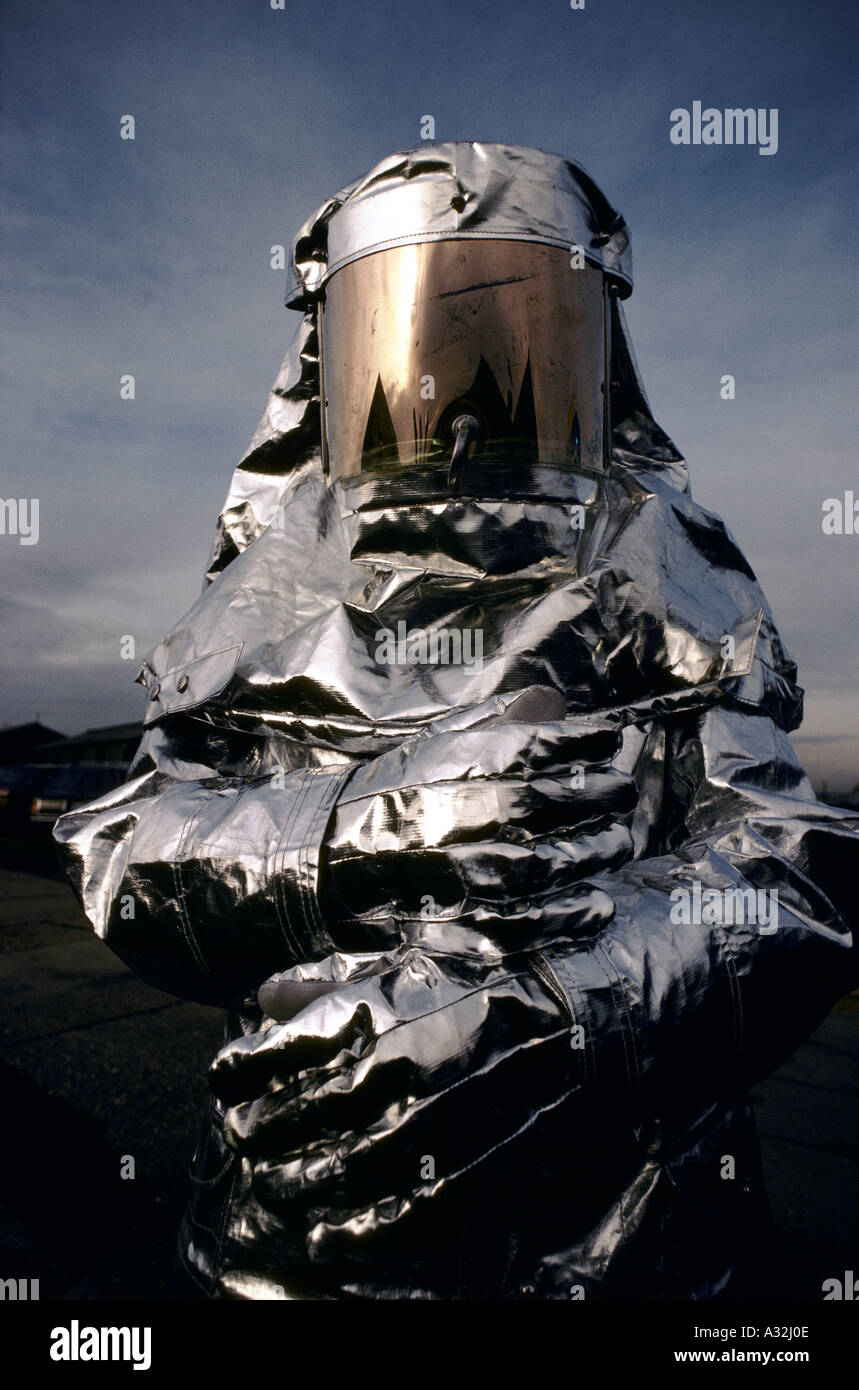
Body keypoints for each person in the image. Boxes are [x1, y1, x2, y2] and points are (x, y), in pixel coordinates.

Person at [55, 142, 858, 1300]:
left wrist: (568, 1015)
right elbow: (125, 851)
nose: (462, 396)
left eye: (513, 332)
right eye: (415, 341)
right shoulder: (265, 588)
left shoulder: (654, 561)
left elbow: (791, 868)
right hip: (299, 1209)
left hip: (628, 1235)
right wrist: (348, 839)